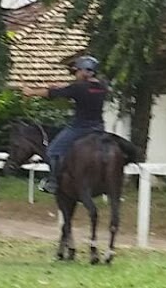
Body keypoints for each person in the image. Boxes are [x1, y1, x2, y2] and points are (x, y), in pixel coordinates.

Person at [19, 55, 109, 194]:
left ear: (86, 71)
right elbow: (78, 89)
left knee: (53, 151)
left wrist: (31, 92)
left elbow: (52, 93)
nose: (76, 74)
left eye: (77, 71)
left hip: (80, 128)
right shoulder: (103, 86)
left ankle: (54, 182)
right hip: (98, 128)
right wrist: (64, 87)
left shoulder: (78, 87)